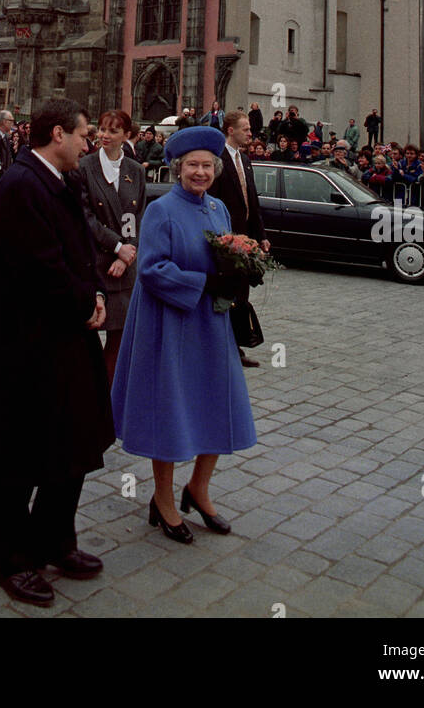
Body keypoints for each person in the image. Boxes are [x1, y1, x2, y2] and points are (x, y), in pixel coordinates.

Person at [0, 98, 114, 607]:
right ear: (58, 134)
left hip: (67, 335)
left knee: (73, 441)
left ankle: (56, 539)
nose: (88, 144)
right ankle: (10, 561)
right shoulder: (19, 186)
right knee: (20, 453)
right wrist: (84, 302)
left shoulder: (61, 181)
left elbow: (82, 248)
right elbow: (40, 267)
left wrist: (97, 291)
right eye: (83, 135)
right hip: (25, 345)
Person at [111, 126, 256, 545]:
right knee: (170, 412)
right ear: (177, 169)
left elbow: (229, 256)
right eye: (192, 165)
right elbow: (152, 270)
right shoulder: (161, 210)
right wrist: (205, 283)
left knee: (217, 402)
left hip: (210, 323)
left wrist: (240, 275)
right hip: (169, 324)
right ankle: (163, 499)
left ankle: (199, 489)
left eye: (207, 166)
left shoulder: (219, 209)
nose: (200, 172)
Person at [77, 109, 145, 386]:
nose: (105, 135)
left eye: (113, 130)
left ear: (126, 136)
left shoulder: (136, 170)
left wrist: (128, 253)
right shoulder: (84, 167)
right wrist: (117, 247)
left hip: (124, 268)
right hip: (95, 262)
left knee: (118, 339)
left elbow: (136, 215)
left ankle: (108, 398)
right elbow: (85, 217)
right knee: (87, 335)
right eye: (102, 129)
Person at [207, 110, 266, 370]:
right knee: (224, 295)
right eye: (246, 129)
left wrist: (260, 237)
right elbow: (212, 201)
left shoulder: (245, 159)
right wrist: (221, 239)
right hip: (226, 240)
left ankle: (236, 347)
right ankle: (219, 348)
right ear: (230, 130)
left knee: (241, 294)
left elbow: (251, 201)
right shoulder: (217, 159)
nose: (250, 133)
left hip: (245, 239)